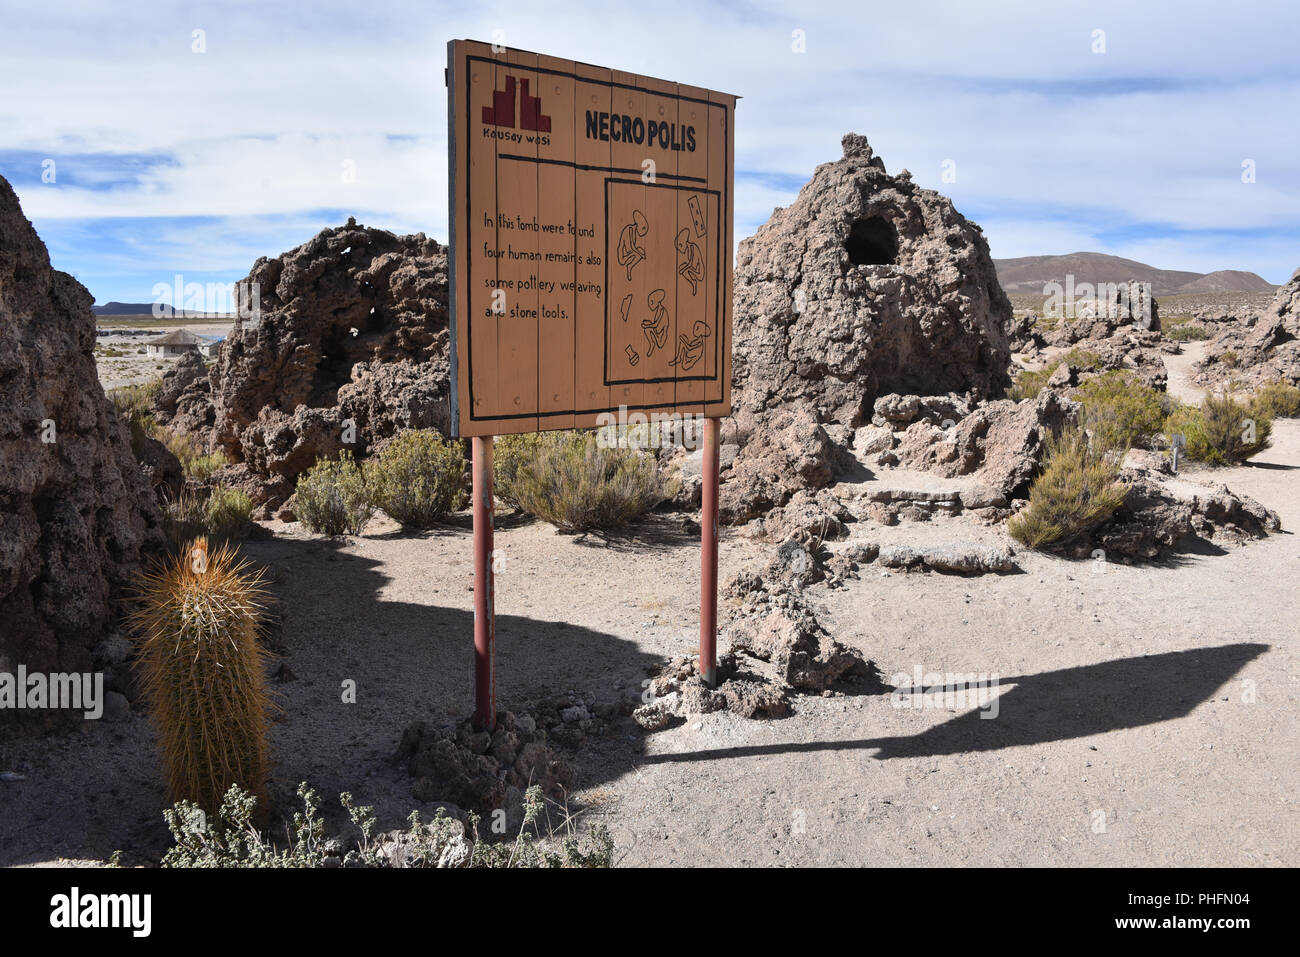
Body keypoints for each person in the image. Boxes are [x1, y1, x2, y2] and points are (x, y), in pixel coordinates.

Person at [617, 210, 648, 280]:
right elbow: (631, 247)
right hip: (622, 257)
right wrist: (641, 254)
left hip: (629, 253)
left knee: (641, 251)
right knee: (640, 252)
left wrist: (640, 253)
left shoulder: (634, 231)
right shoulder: (630, 229)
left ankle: (630, 266)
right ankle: (629, 267)